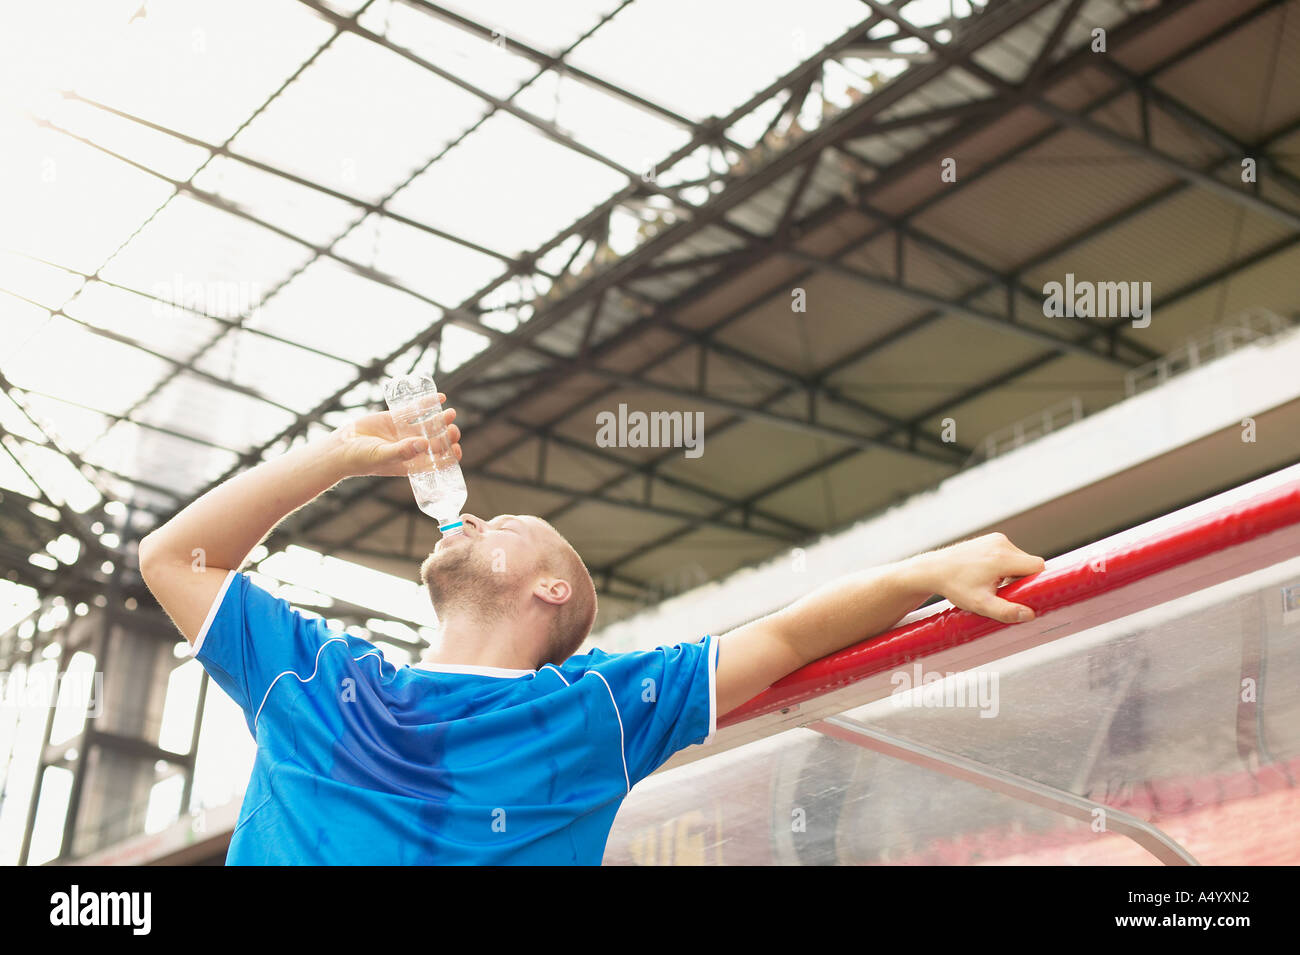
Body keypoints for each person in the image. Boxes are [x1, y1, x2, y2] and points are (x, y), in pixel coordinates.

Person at [139, 396, 1045, 864]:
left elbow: (788, 636)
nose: (478, 518)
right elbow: (171, 559)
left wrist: (922, 572)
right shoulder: (318, 678)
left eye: (510, 526)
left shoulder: (598, 709)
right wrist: (339, 455)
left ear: (549, 589)